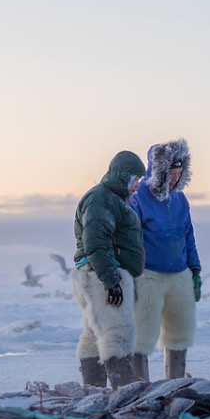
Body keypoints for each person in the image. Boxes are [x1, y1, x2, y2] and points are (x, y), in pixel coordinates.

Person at [70, 150, 146, 388]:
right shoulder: (102, 198)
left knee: (94, 335)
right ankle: (123, 394)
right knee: (119, 333)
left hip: (94, 275)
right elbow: (96, 240)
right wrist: (110, 279)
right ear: (123, 175)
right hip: (103, 275)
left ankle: (94, 392)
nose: (137, 185)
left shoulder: (109, 198)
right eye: (135, 179)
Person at [129, 139, 203, 380]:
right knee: (143, 335)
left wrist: (195, 270)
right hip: (147, 274)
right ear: (158, 170)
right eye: (170, 173)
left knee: (180, 332)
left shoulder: (180, 199)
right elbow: (130, 237)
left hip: (179, 274)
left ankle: (175, 383)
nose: (174, 178)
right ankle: (140, 386)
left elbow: (188, 234)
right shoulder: (138, 197)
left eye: (179, 173)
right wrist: (130, 275)